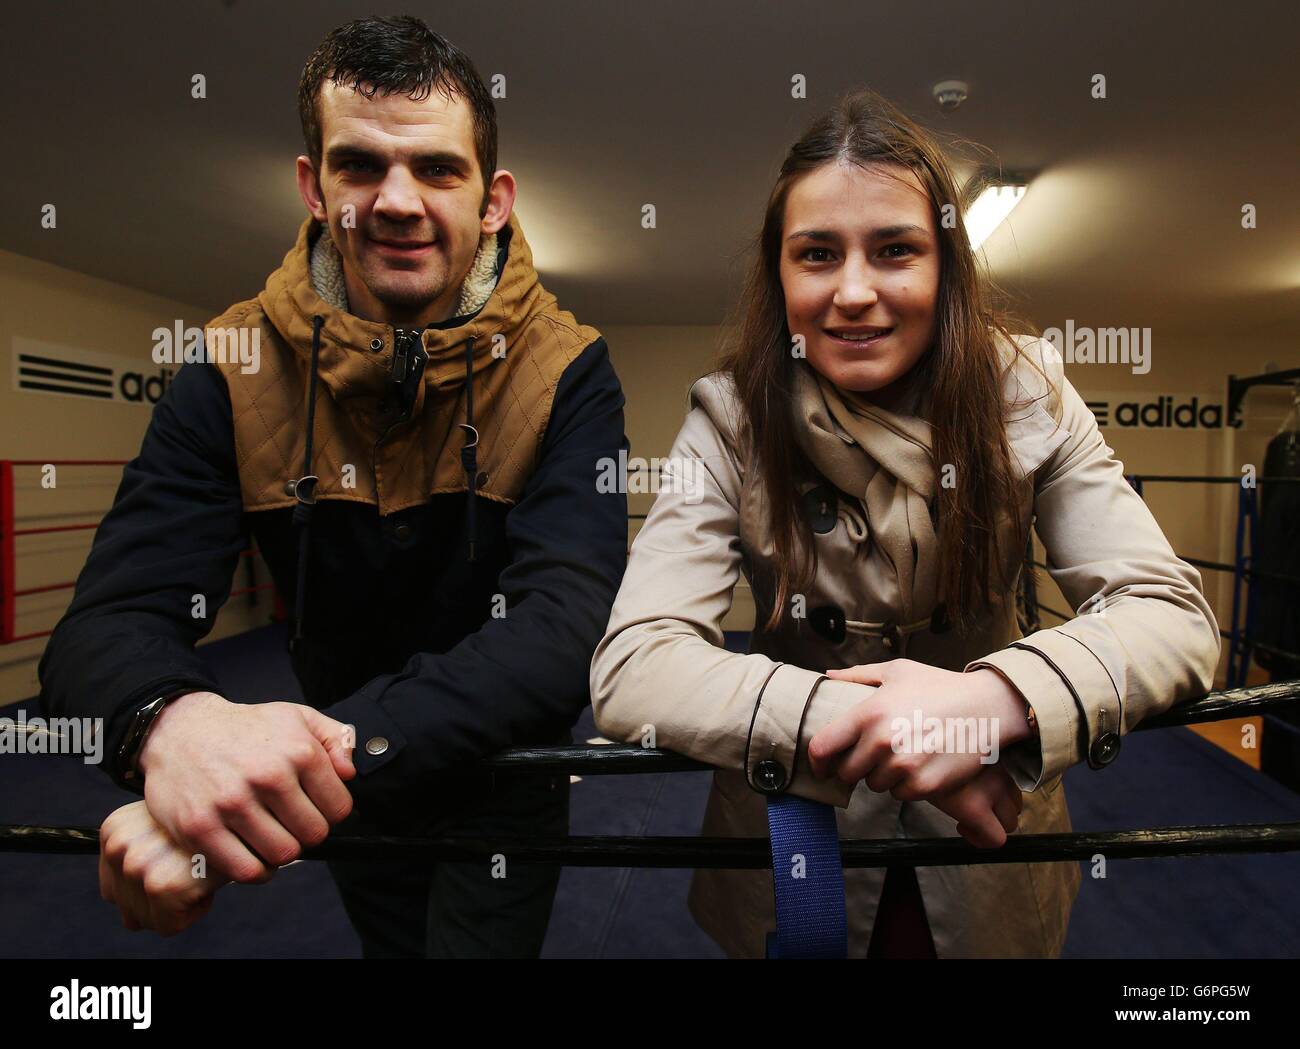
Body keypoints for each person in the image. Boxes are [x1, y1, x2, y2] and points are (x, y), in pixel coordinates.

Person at [38, 15, 628, 957]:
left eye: (437, 168)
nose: (397, 201)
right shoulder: (227, 364)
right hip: (336, 785)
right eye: (361, 165)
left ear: (493, 202)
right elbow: (107, 625)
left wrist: (295, 762)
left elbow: (563, 629)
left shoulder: (568, 366)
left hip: (493, 767)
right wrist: (173, 727)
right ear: (314, 187)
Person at [588, 88, 1221, 958]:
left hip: (986, 830)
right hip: (800, 832)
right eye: (817, 254)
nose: (854, 292)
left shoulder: (1027, 389)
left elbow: (1171, 615)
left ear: (945, 266)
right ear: (779, 272)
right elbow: (635, 662)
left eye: (895, 250)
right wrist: (850, 722)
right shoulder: (732, 415)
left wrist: (984, 705)